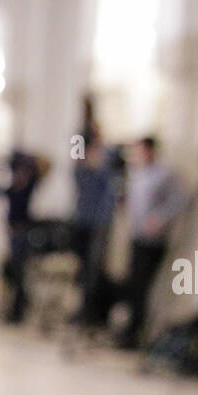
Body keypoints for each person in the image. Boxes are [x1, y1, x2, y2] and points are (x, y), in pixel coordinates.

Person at [118, 136, 188, 350]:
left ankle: (138, 333)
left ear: (150, 151)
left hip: (154, 241)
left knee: (143, 287)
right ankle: (129, 330)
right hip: (136, 236)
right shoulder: (136, 174)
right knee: (132, 286)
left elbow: (180, 200)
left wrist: (160, 218)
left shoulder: (164, 175)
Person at [71, 132, 116, 327]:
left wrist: (101, 149)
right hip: (82, 223)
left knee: (95, 270)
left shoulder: (106, 169)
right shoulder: (82, 171)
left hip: (100, 224)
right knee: (82, 269)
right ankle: (82, 309)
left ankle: (92, 313)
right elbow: (74, 167)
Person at [1, 150, 45, 325]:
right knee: (11, 272)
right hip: (13, 233)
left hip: (25, 233)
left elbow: (46, 165)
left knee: (20, 273)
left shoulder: (30, 185)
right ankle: (14, 306)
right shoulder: (12, 188)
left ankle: (19, 308)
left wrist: (29, 159)